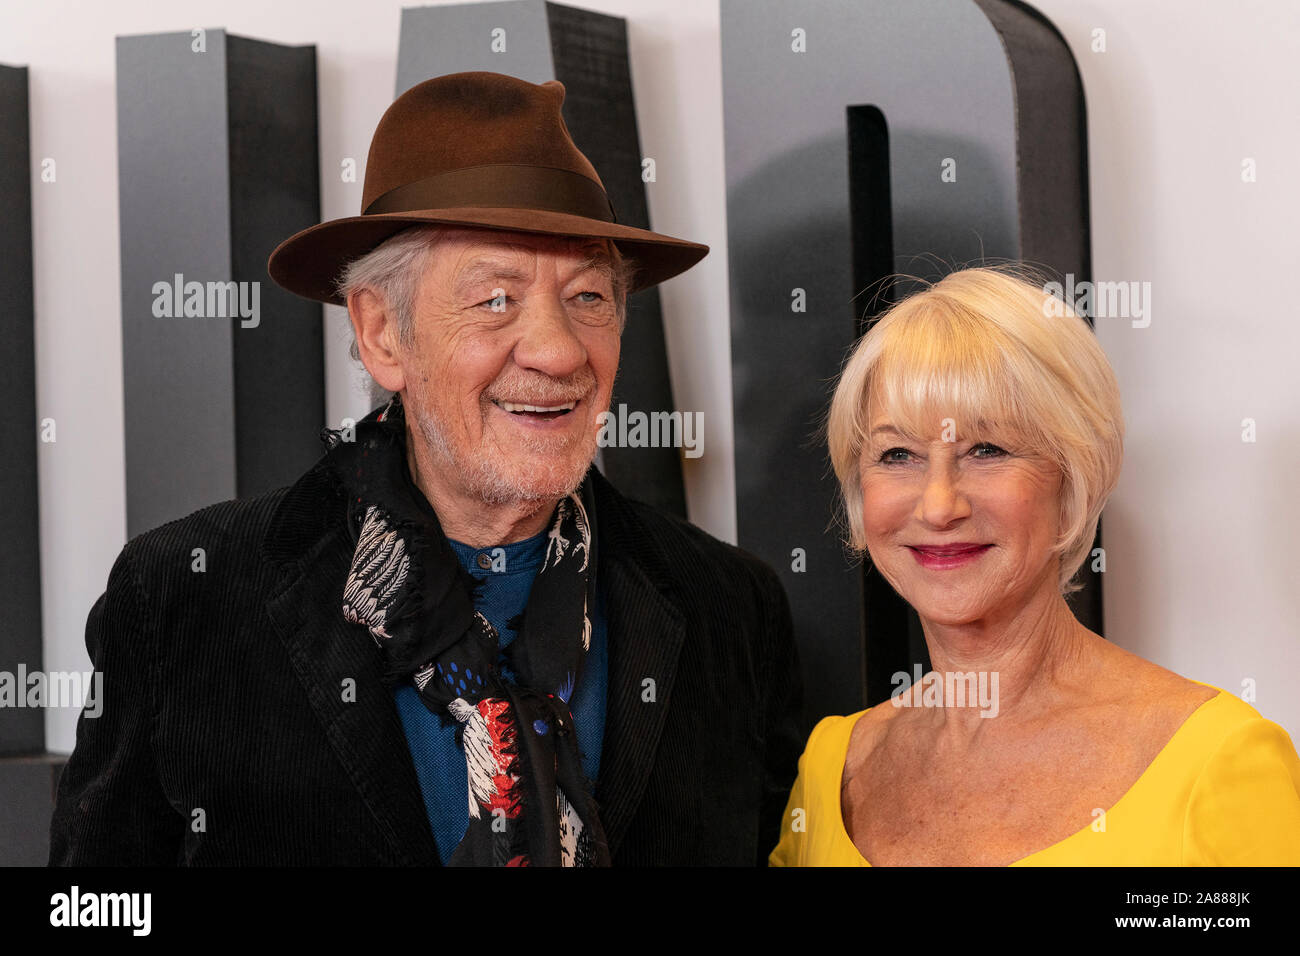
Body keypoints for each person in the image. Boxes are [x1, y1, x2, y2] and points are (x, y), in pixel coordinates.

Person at [50, 71, 802, 867]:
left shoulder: (730, 609)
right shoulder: (184, 598)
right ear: (382, 334)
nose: (557, 351)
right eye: (495, 300)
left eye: (588, 297)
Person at [771, 267, 1300, 866]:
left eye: (987, 450)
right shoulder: (831, 766)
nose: (939, 504)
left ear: (1072, 482)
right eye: (898, 454)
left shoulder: (1215, 761)